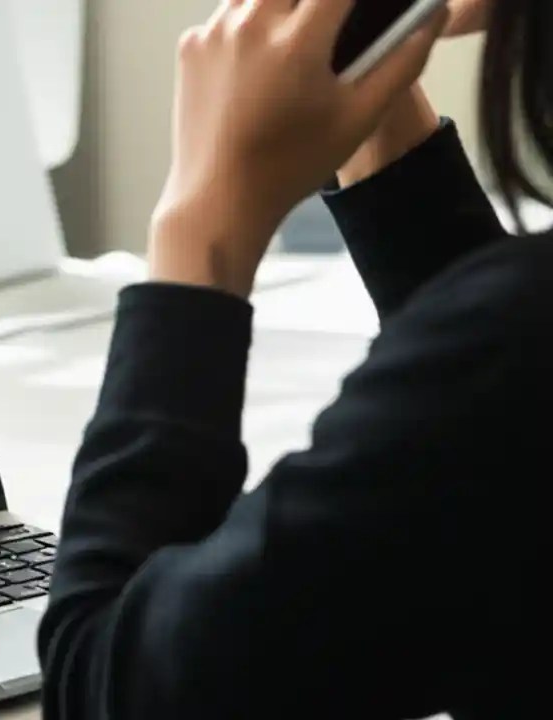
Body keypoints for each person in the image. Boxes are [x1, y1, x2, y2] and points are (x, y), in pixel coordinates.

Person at [38, 0, 548, 716]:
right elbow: (491, 469)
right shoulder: (508, 348)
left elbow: (112, 691)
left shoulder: (511, 344)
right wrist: (372, 99)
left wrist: (204, 219)